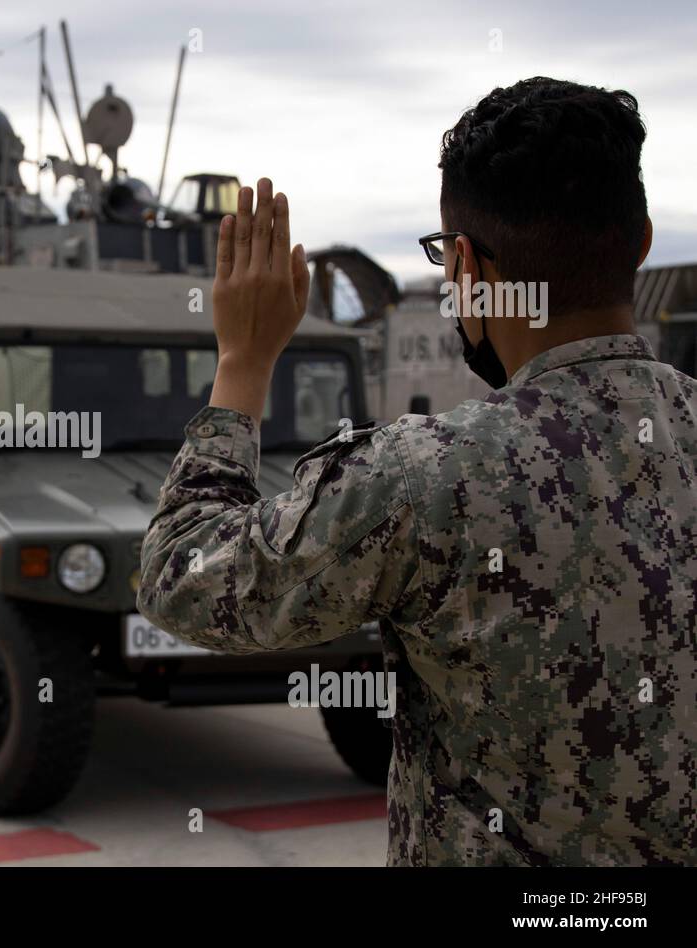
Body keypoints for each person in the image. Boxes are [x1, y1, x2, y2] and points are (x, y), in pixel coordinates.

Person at [138, 77, 696, 865]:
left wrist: (243, 361)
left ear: (466, 266)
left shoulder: (422, 477)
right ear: (639, 243)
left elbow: (182, 578)